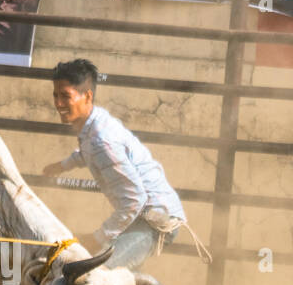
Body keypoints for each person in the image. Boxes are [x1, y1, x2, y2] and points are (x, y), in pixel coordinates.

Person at [41, 59, 201, 272]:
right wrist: (62, 166)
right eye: (55, 95)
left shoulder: (102, 140)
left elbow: (135, 199)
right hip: (144, 217)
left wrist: (98, 238)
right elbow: (87, 152)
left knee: (98, 274)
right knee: (114, 278)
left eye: (65, 96)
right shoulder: (94, 127)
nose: (58, 103)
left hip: (154, 222)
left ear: (87, 96)